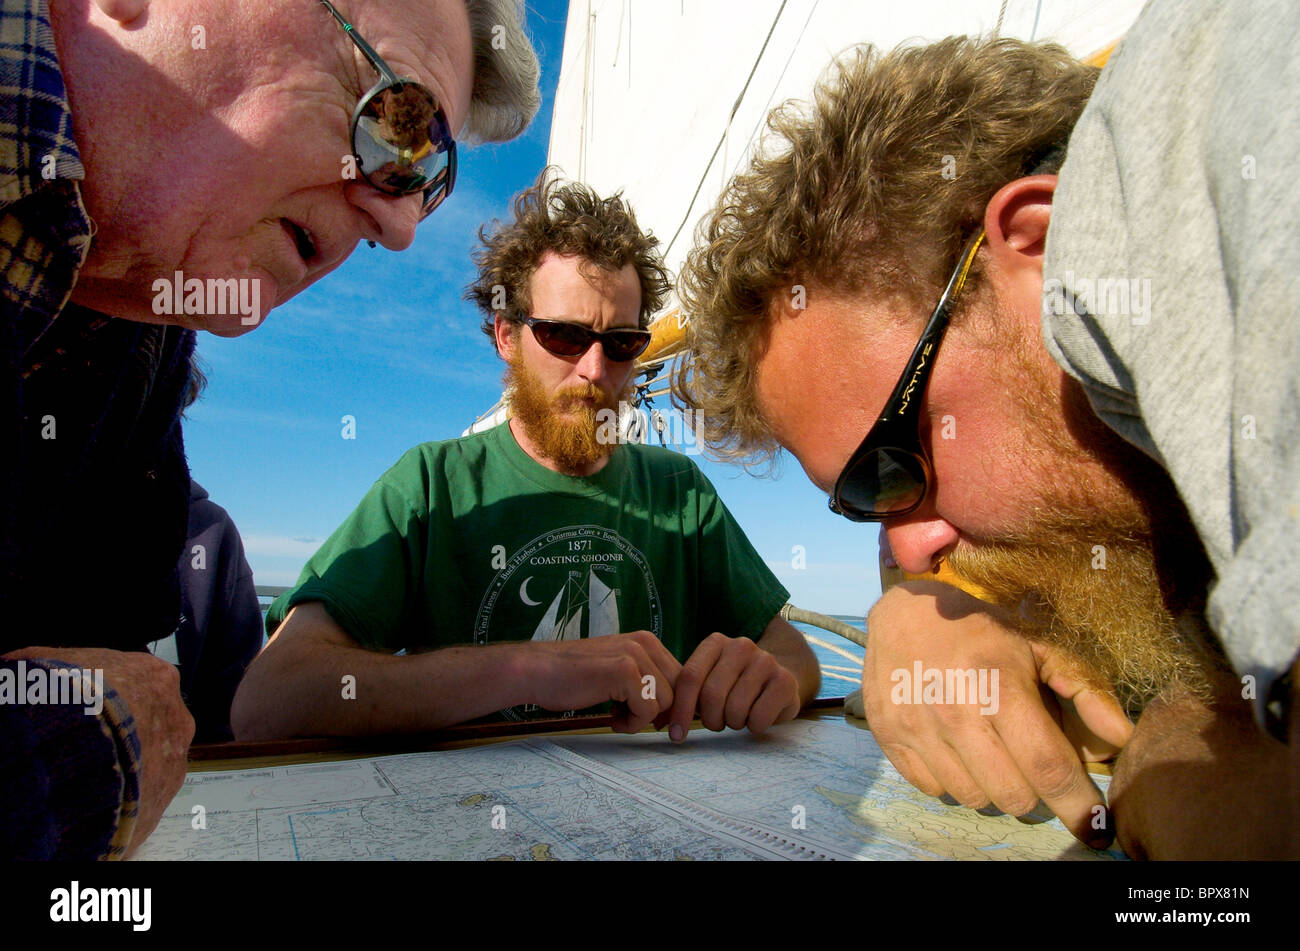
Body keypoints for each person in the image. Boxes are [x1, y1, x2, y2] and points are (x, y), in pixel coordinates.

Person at [672, 0, 1298, 858]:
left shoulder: (1212, 114)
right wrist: (918, 614)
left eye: (892, 461)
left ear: (1041, 240)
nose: (915, 546)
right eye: (867, 500)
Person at [2, 0, 541, 858]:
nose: (399, 227)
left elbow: (98, 666)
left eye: (428, 179)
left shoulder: (140, 349)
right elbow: (106, 710)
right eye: (400, 122)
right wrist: (74, 758)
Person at [231, 176, 820, 741]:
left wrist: (776, 681)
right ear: (507, 337)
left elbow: (792, 654)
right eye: (563, 337)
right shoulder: (433, 487)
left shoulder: (680, 492)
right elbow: (269, 701)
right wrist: (529, 668)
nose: (593, 371)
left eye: (621, 344)